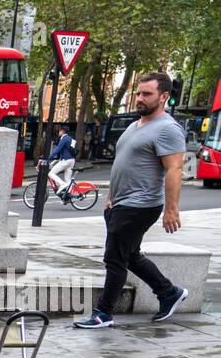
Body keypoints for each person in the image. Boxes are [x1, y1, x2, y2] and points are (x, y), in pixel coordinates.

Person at [74, 72, 188, 328]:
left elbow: (174, 170)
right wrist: (112, 196)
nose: (139, 98)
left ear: (164, 97)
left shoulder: (168, 129)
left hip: (141, 205)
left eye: (147, 94)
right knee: (129, 255)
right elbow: (126, 164)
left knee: (114, 259)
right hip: (120, 203)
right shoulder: (135, 125)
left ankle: (103, 313)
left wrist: (172, 209)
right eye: (138, 93)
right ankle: (169, 293)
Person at [47, 126, 77, 199]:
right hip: (72, 160)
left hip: (66, 160)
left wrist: (48, 158)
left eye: (59, 131)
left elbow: (57, 149)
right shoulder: (71, 139)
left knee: (51, 173)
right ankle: (67, 196)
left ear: (63, 131)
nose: (58, 132)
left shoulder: (64, 139)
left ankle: (62, 184)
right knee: (68, 179)